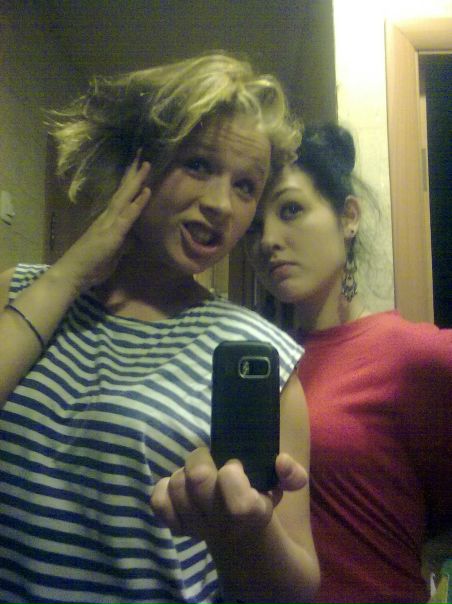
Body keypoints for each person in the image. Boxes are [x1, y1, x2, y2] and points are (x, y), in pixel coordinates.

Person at [0, 53, 320, 603]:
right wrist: (70, 271)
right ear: (139, 162)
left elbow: (297, 590)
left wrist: (246, 536)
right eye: (197, 164)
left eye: (246, 187)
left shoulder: (259, 356)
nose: (221, 205)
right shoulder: (19, 290)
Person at [245, 122, 452, 604]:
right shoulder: (263, 363)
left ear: (348, 217)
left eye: (291, 210)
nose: (268, 239)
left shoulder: (409, 354)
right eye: (254, 225)